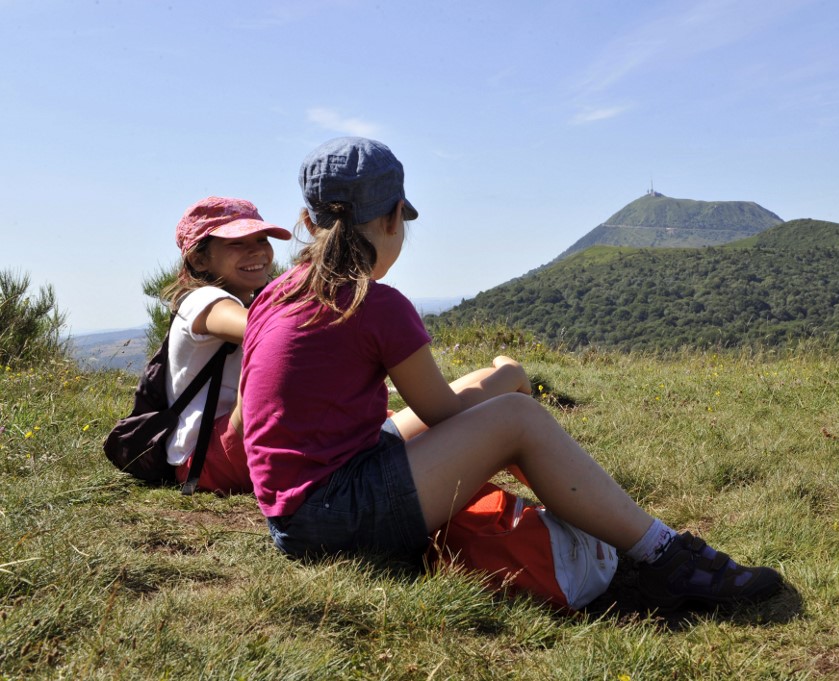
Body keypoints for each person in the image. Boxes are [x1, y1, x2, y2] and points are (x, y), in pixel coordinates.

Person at [240, 137, 783, 610]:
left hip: (293, 514)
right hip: (335, 516)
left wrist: (497, 380)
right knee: (518, 419)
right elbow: (444, 414)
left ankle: (582, 497)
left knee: (495, 398)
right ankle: (668, 558)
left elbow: (258, 421)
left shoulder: (273, 296)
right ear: (392, 218)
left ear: (308, 222)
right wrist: (505, 396)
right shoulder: (373, 303)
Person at [163, 196, 291, 494]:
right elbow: (267, 331)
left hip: (223, 447)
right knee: (271, 350)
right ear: (199, 259)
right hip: (206, 457)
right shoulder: (204, 299)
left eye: (262, 239)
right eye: (237, 243)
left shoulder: (246, 302)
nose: (257, 250)